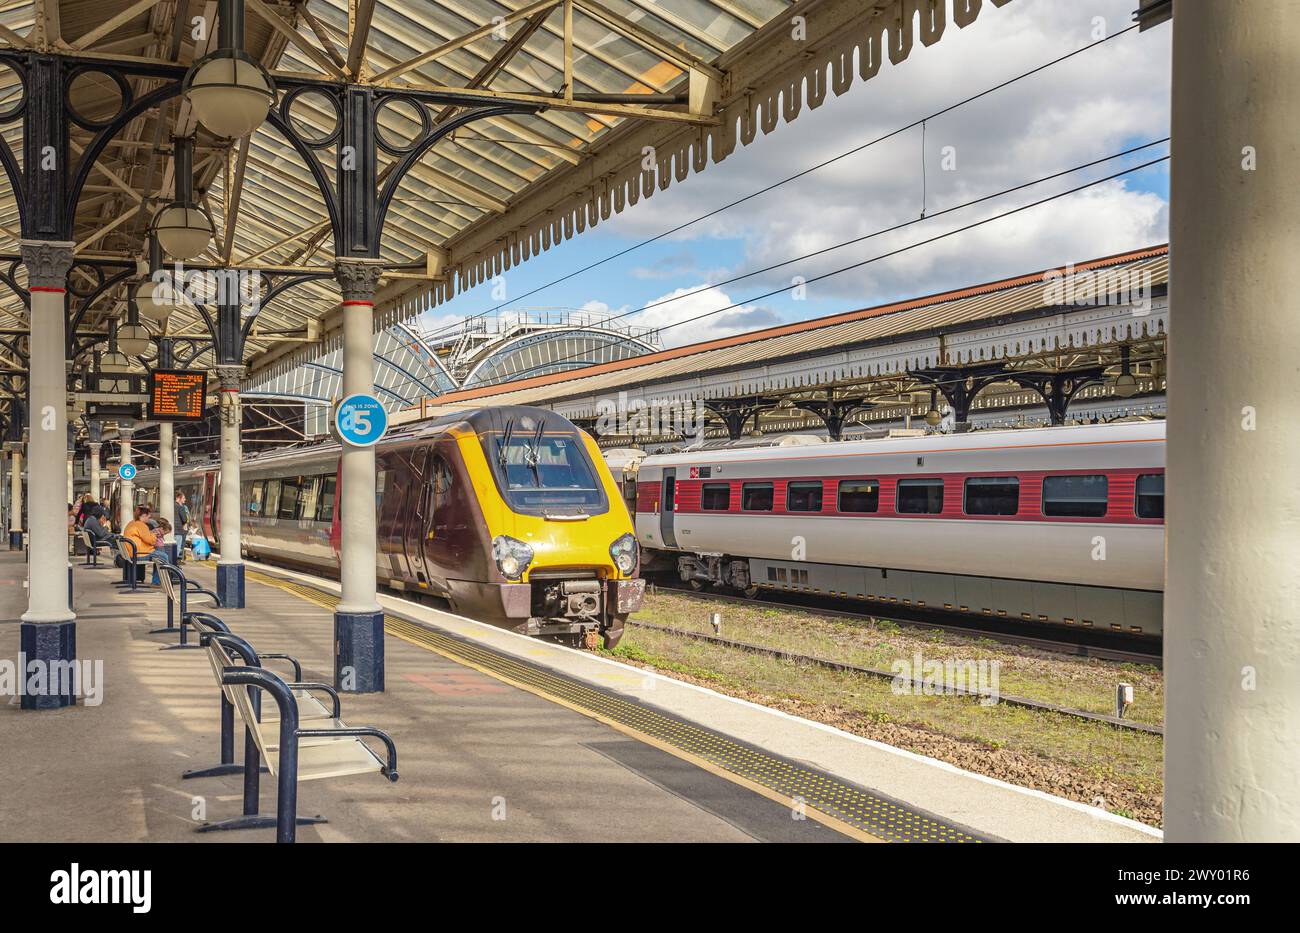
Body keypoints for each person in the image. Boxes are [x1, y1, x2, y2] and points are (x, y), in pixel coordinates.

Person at [122, 505, 157, 582]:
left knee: (160, 555)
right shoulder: (141, 525)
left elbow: (142, 536)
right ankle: (157, 581)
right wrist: (154, 534)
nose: (149, 519)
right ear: (144, 515)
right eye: (148, 517)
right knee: (163, 556)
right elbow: (151, 541)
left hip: (130, 553)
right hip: (138, 554)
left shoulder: (131, 523)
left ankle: (156, 580)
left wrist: (149, 533)